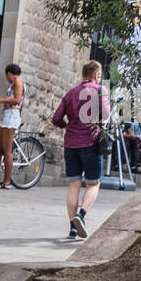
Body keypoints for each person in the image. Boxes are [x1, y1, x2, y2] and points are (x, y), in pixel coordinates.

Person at [51, 59, 110, 240]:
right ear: (95, 75)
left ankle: (72, 228)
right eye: (99, 75)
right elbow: (106, 114)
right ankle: (81, 215)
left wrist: (67, 125)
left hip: (71, 143)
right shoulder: (100, 90)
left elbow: (56, 119)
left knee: (74, 184)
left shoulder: (71, 93)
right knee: (93, 183)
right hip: (91, 142)